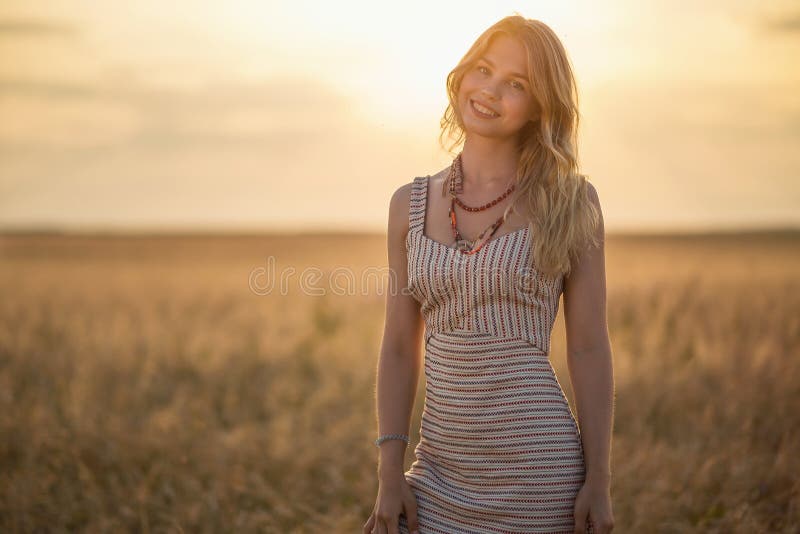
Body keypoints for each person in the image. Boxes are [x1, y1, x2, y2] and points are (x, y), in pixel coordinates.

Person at [364, 14, 615, 534]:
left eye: (516, 84)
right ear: (461, 74)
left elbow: (589, 346)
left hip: (540, 480)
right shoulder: (407, 204)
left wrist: (600, 480)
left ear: (540, 105)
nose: (490, 90)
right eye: (483, 69)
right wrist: (389, 472)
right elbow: (396, 347)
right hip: (437, 477)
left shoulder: (572, 202)